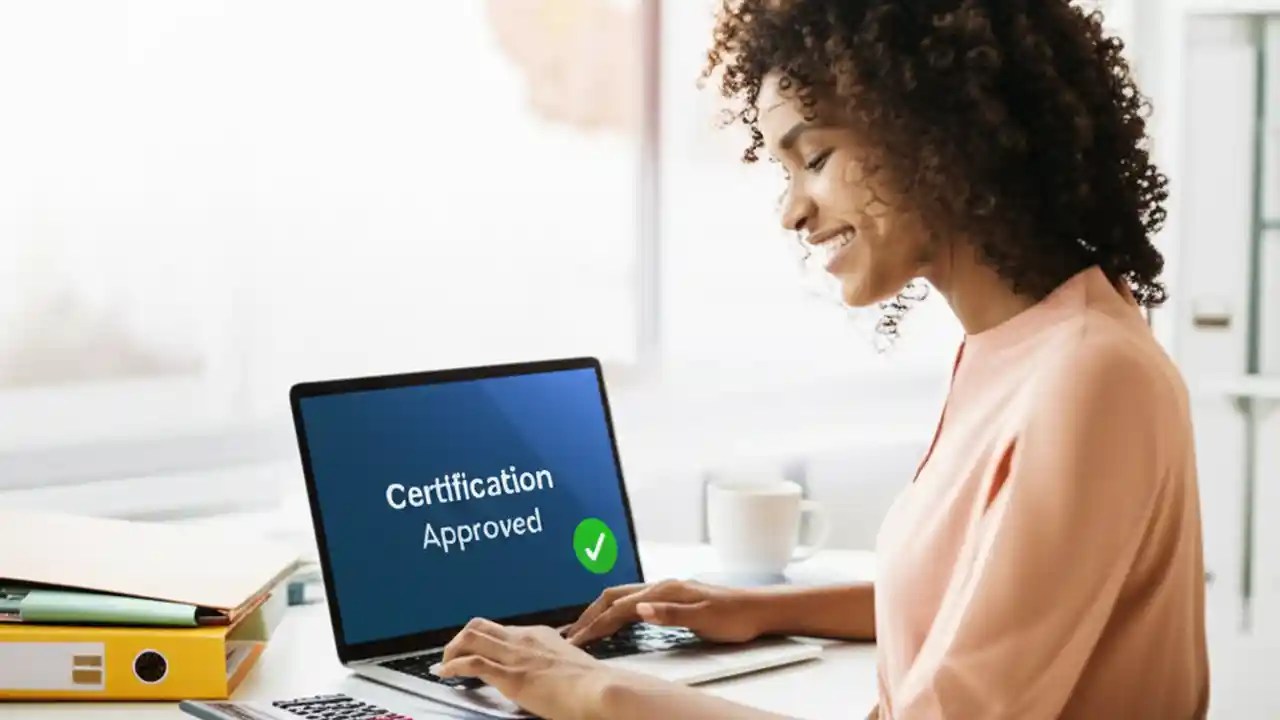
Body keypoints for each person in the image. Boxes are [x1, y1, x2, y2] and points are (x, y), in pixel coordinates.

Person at [437, 0, 1211, 717]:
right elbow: (990, 595)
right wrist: (765, 607)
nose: (792, 209)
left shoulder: (1090, 377)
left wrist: (588, 688)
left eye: (815, 157)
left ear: (937, 132)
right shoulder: (1021, 346)